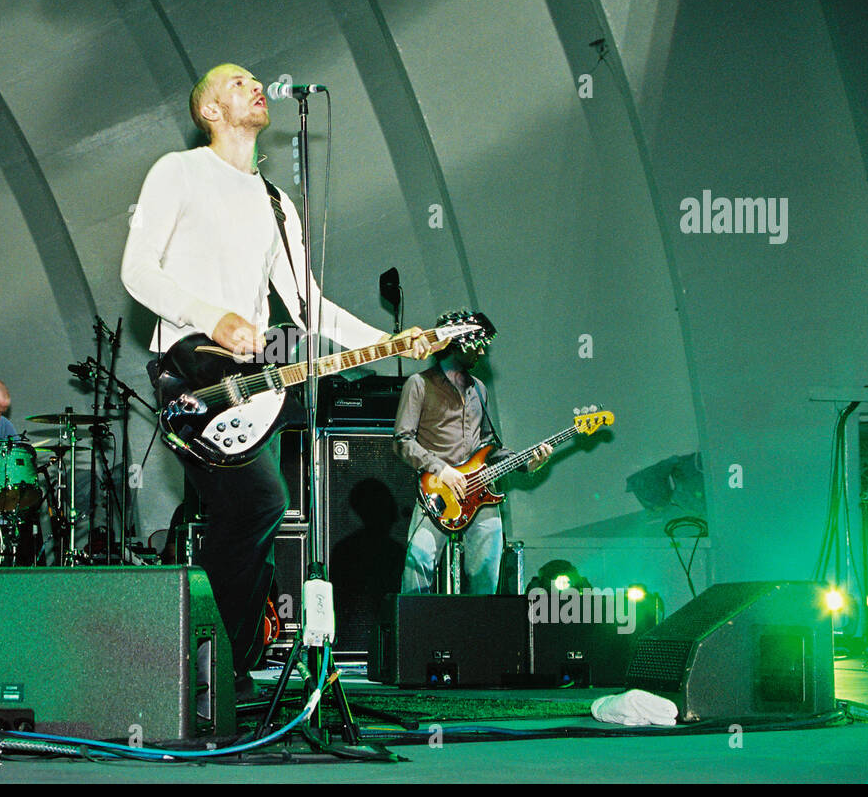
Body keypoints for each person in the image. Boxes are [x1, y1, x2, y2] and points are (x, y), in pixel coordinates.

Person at [122, 63, 429, 698]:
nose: (255, 86)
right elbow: (136, 271)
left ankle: (211, 671)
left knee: (256, 506)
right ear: (208, 109)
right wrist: (213, 316)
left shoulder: (276, 201)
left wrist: (387, 343)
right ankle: (204, 666)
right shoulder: (176, 172)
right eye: (236, 82)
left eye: (257, 81)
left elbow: (309, 304)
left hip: (252, 382)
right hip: (191, 372)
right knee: (258, 502)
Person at [393, 311, 551, 595]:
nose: (481, 351)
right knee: (418, 566)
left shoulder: (479, 389)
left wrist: (527, 463)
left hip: (480, 493)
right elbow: (403, 441)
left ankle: (479, 631)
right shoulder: (419, 384)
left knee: (487, 571)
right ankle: (414, 633)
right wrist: (441, 468)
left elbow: (489, 446)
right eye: (476, 344)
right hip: (437, 490)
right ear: (455, 344)